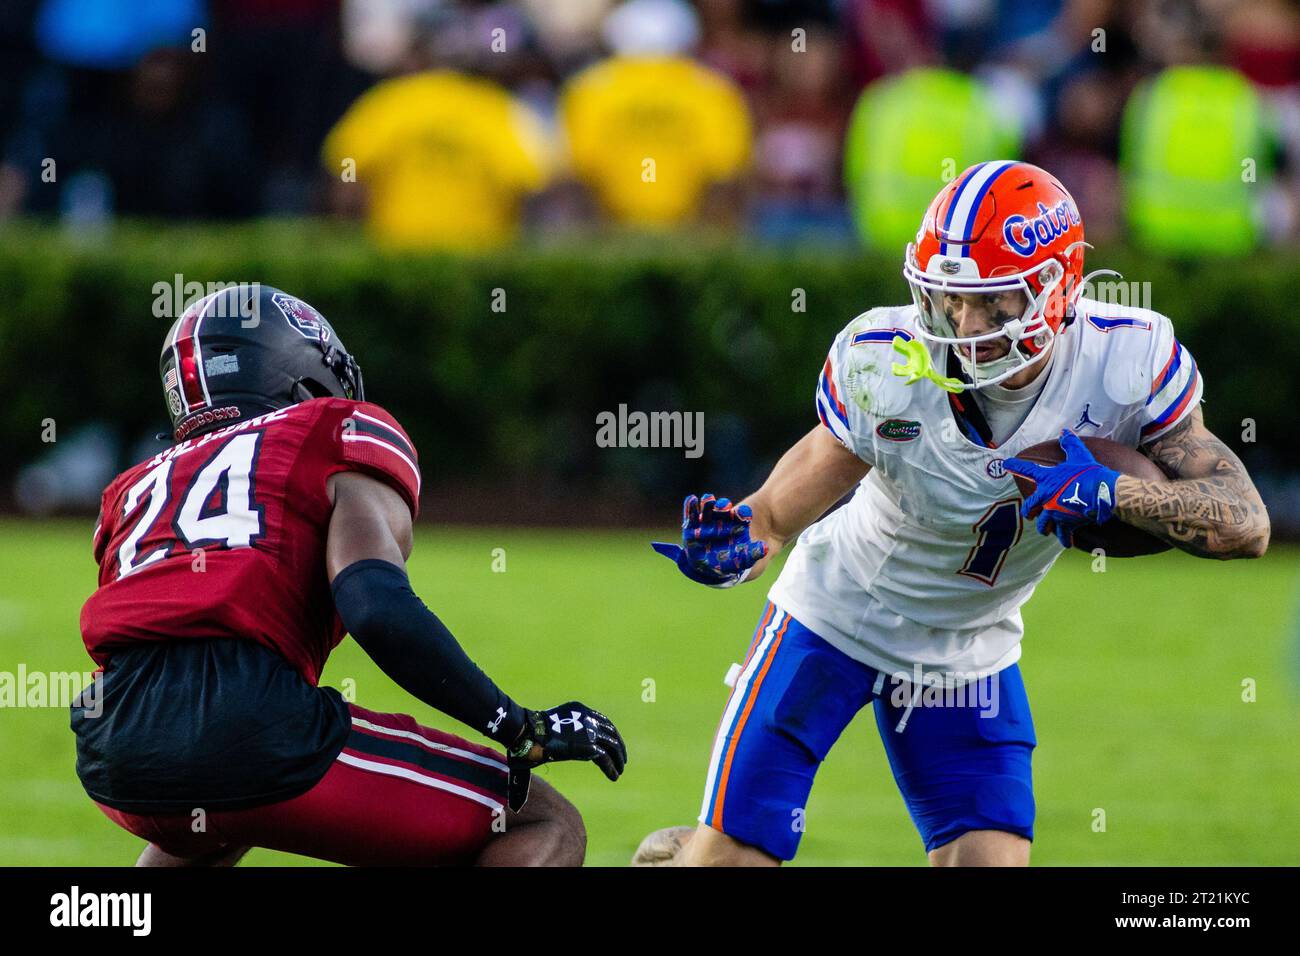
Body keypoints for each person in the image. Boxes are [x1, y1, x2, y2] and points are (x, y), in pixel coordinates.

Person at [638, 161, 1268, 866]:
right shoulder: (886, 362)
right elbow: (779, 514)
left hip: (970, 645)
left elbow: (1245, 522)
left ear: (1056, 291)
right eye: (948, 299)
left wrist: (1113, 493)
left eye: (993, 303)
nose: (965, 325)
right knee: (735, 856)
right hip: (837, 614)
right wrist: (740, 539)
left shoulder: (1127, 358)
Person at [73, 284, 625, 866]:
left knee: (211, 818)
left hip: (115, 746)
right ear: (302, 370)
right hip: (246, 726)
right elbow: (375, 605)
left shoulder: (129, 490)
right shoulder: (331, 428)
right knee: (545, 823)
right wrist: (519, 727)